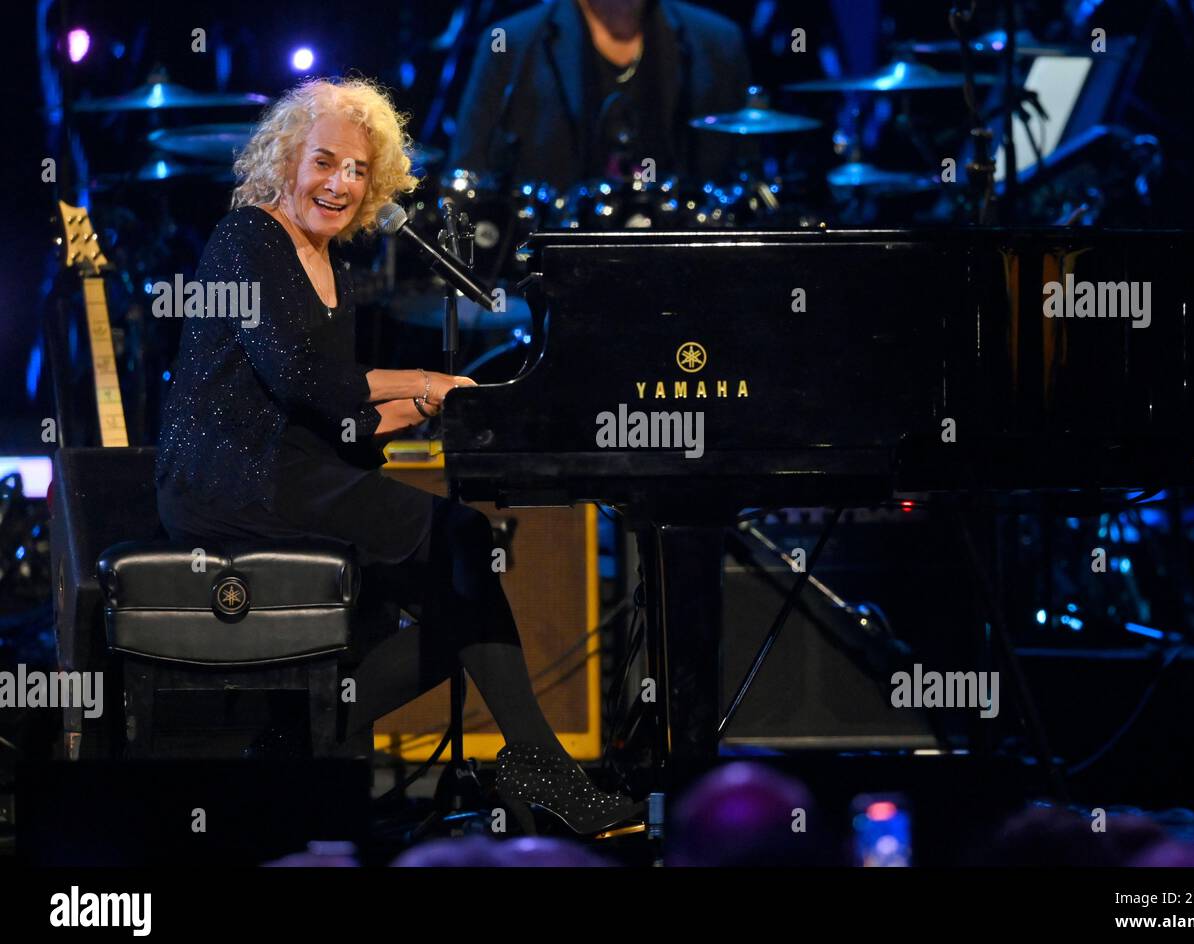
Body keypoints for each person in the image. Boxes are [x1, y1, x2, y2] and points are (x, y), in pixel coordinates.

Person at [155, 76, 641, 835]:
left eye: (357, 170)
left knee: (457, 577)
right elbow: (302, 375)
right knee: (460, 544)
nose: (341, 184)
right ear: (286, 159)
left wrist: (432, 404)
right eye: (324, 162)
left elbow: (333, 413)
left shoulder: (330, 267)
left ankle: (302, 749)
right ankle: (530, 763)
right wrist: (418, 381)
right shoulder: (249, 237)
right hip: (231, 477)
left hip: (289, 469)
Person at [447, 0, 752, 191]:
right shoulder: (510, 44)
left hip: (682, 273)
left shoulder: (719, 42)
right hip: (545, 275)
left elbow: (748, 176)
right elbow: (466, 175)